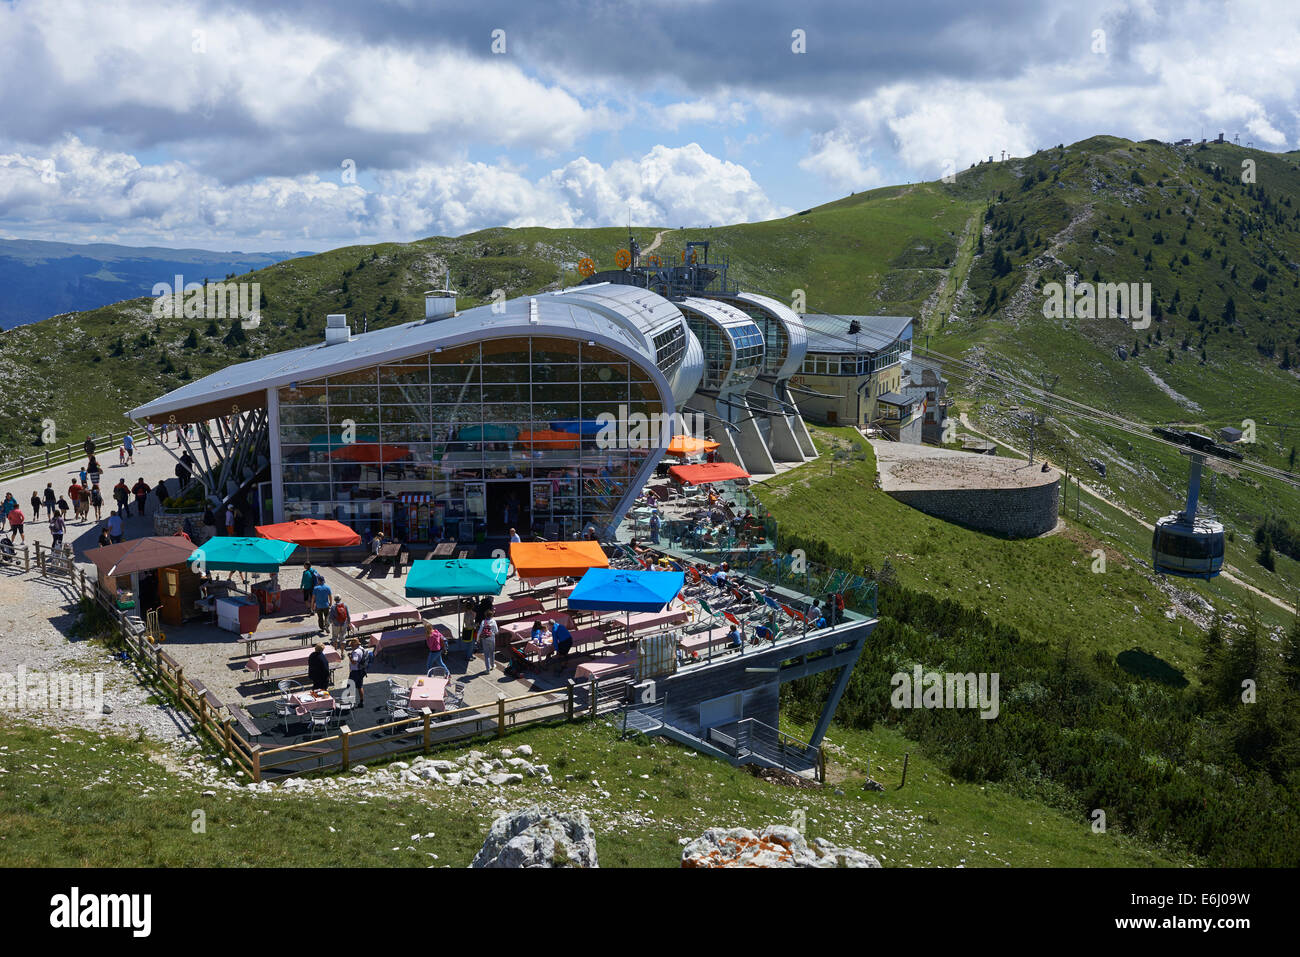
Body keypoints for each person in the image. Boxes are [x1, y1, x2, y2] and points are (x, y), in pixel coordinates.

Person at [346, 637, 367, 704]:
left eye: (352, 645)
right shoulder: (362, 649)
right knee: (359, 686)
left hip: (355, 672)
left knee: (349, 687)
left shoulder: (355, 652)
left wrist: (349, 656)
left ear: (354, 645)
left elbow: (354, 662)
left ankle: (350, 703)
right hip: (361, 670)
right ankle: (361, 701)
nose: (351, 646)